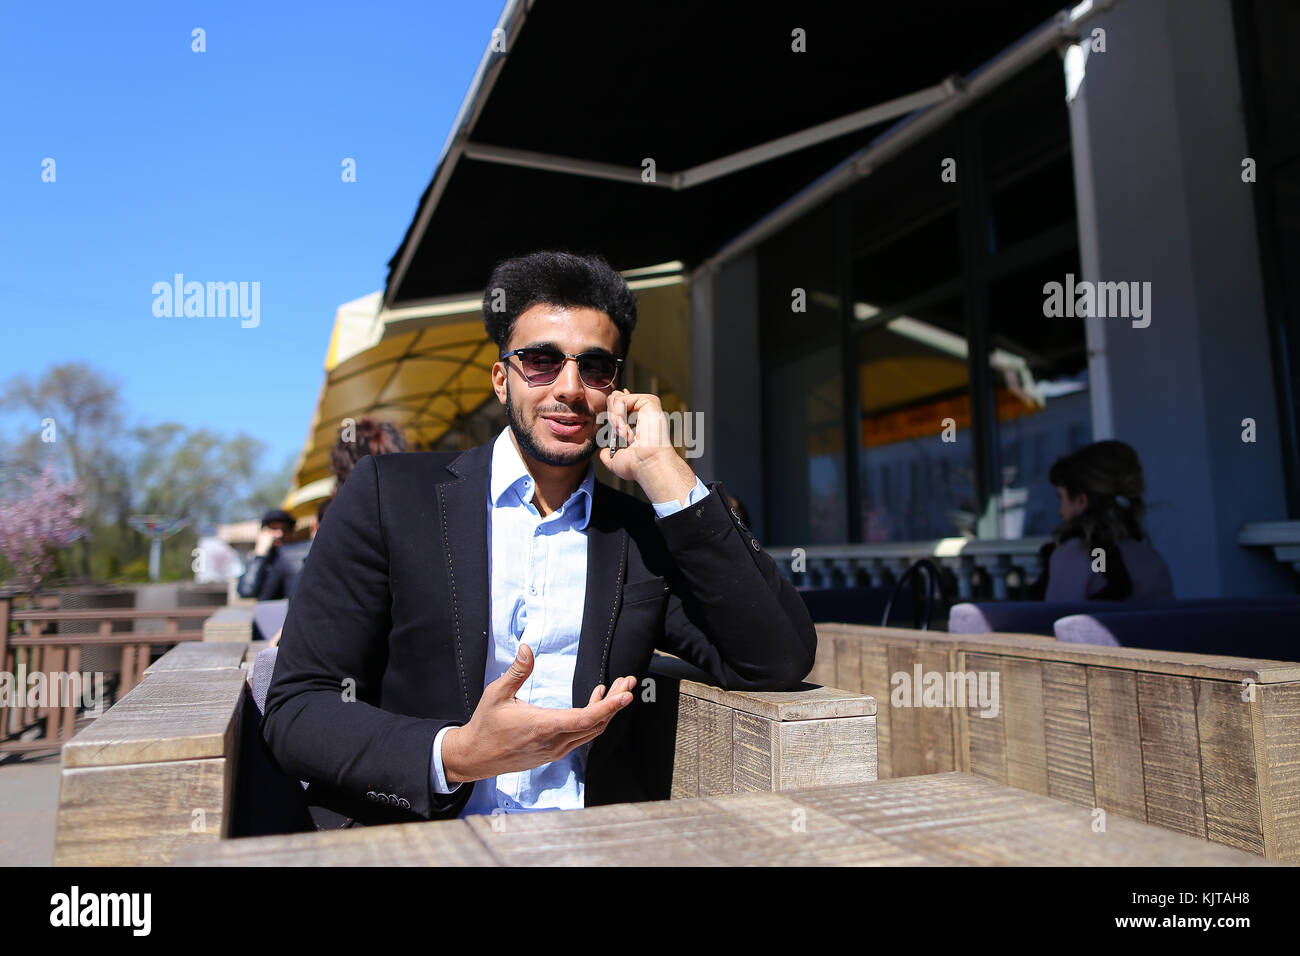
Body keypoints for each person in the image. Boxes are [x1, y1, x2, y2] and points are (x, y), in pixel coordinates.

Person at [262, 250, 817, 828]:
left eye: (596, 367)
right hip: (418, 844)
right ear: (502, 377)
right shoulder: (389, 497)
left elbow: (775, 658)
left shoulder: (635, 536)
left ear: (617, 390)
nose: (571, 389)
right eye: (542, 361)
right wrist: (455, 755)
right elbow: (297, 710)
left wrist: (662, 467)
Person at [1030, 440, 1174, 602]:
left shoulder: (1072, 555)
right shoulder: (1150, 558)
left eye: (1061, 497)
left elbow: (1052, 620)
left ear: (1081, 501)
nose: (1060, 512)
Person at [236, 509, 305, 601]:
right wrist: (260, 553)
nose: (279, 534)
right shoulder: (259, 559)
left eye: (285, 530)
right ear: (262, 532)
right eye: (274, 529)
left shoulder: (301, 556)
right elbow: (247, 591)